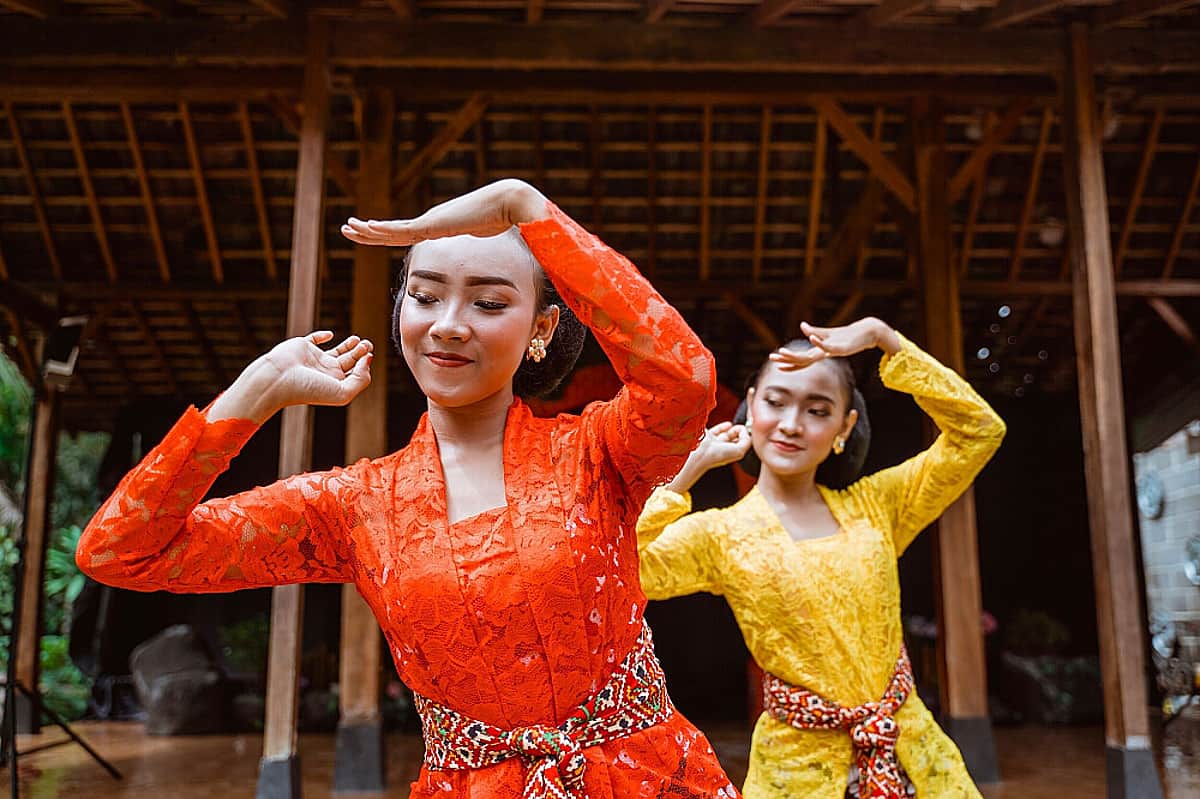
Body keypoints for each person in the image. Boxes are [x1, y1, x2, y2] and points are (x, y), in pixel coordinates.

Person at [77, 179, 739, 799]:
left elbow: (683, 380)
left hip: (647, 777)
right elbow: (118, 550)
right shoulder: (353, 505)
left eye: (488, 301)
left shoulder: (600, 451)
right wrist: (257, 390)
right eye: (425, 295)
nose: (449, 323)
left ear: (541, 329)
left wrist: (526, 206)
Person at [637, 316, 1006, 799]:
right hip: (796, 771)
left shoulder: (879, 506)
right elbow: (622, 569)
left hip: (913, 755)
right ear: (750, 407)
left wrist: (884, 339)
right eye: (775, 402)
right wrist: (684, 474)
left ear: (844, 426)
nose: (791, 424)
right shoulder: (720, 534)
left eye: (817, 409)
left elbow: (978, 432)